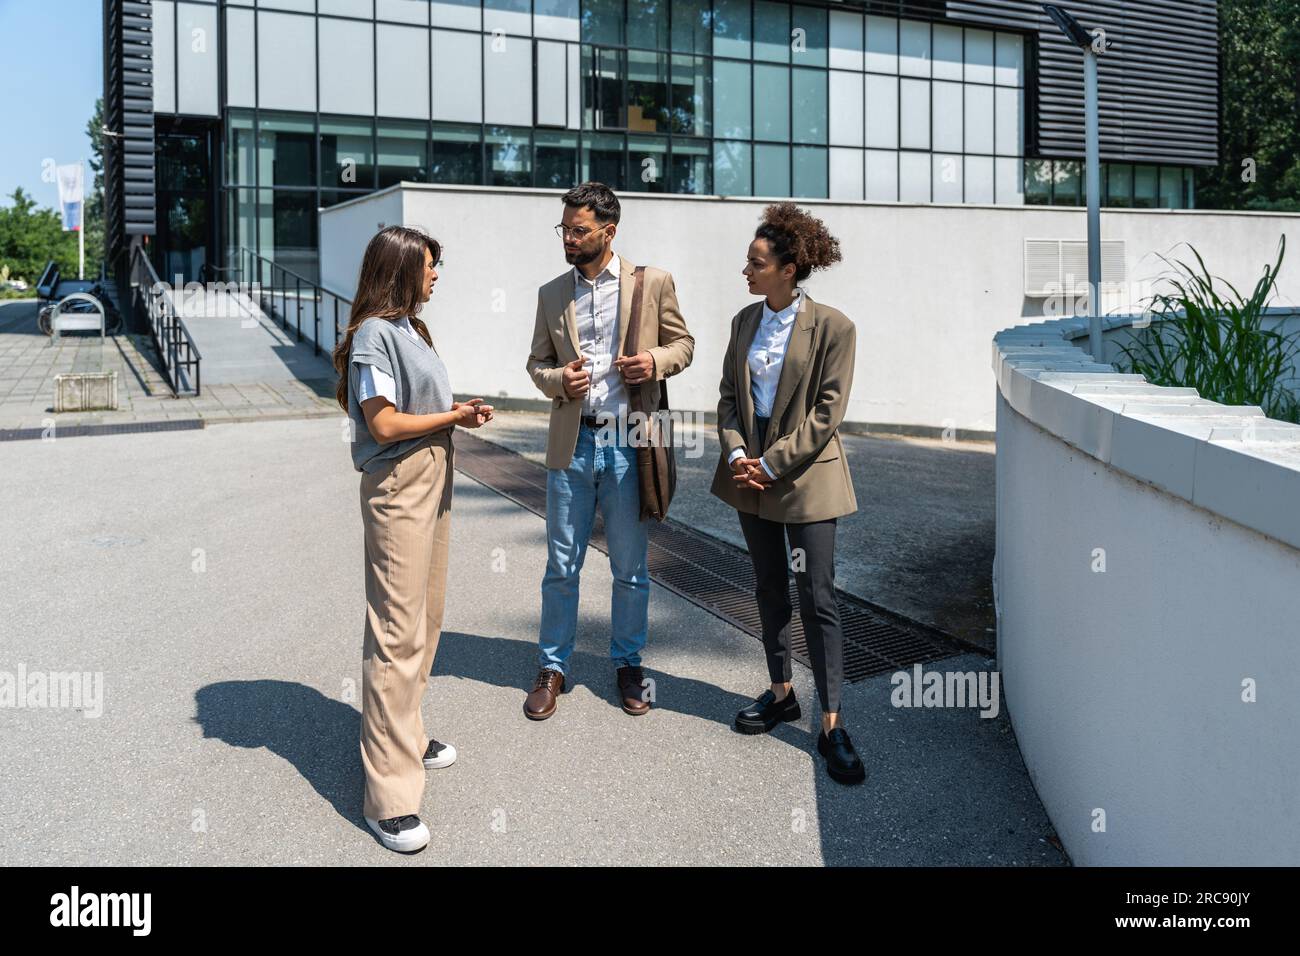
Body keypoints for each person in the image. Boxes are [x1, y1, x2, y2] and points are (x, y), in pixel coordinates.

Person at [332, 225, 494, 852]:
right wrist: (455, 416)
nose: (435, 277)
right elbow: (385, 420)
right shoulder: (374, 333)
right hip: (399, 481)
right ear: (400, 270)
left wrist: (457, 416)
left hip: (432, 470)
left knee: (426, 619)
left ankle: (406, 733)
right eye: (429, 267)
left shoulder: (411, 330)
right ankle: (389, 799)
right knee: (397, 631)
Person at [523, 182, 695, 720]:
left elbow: (683, 345)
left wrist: (654, 362)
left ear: (608, 231)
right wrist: (558, 382)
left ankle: (628, 664)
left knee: (631, 568)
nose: (568, 239)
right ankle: (553, 667)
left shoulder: (654, 283)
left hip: (629, 442)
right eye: (564, 229)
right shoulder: (552, 293)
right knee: (561, 565)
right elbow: (536, 365)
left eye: (578, 230)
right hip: (572, 443)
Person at [710, 202, 865, 785]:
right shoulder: (744, 322)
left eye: (756, 262)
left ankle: (831, 725)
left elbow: (828, 413)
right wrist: (735, 454)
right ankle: (781, 694)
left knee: (818, 597)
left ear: (789, 267)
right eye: (748, 262)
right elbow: (728, 396)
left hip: (805, 480)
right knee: (769, 586)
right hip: (748, 474)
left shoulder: (834, 327)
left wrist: (771, 463)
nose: (746, 271)